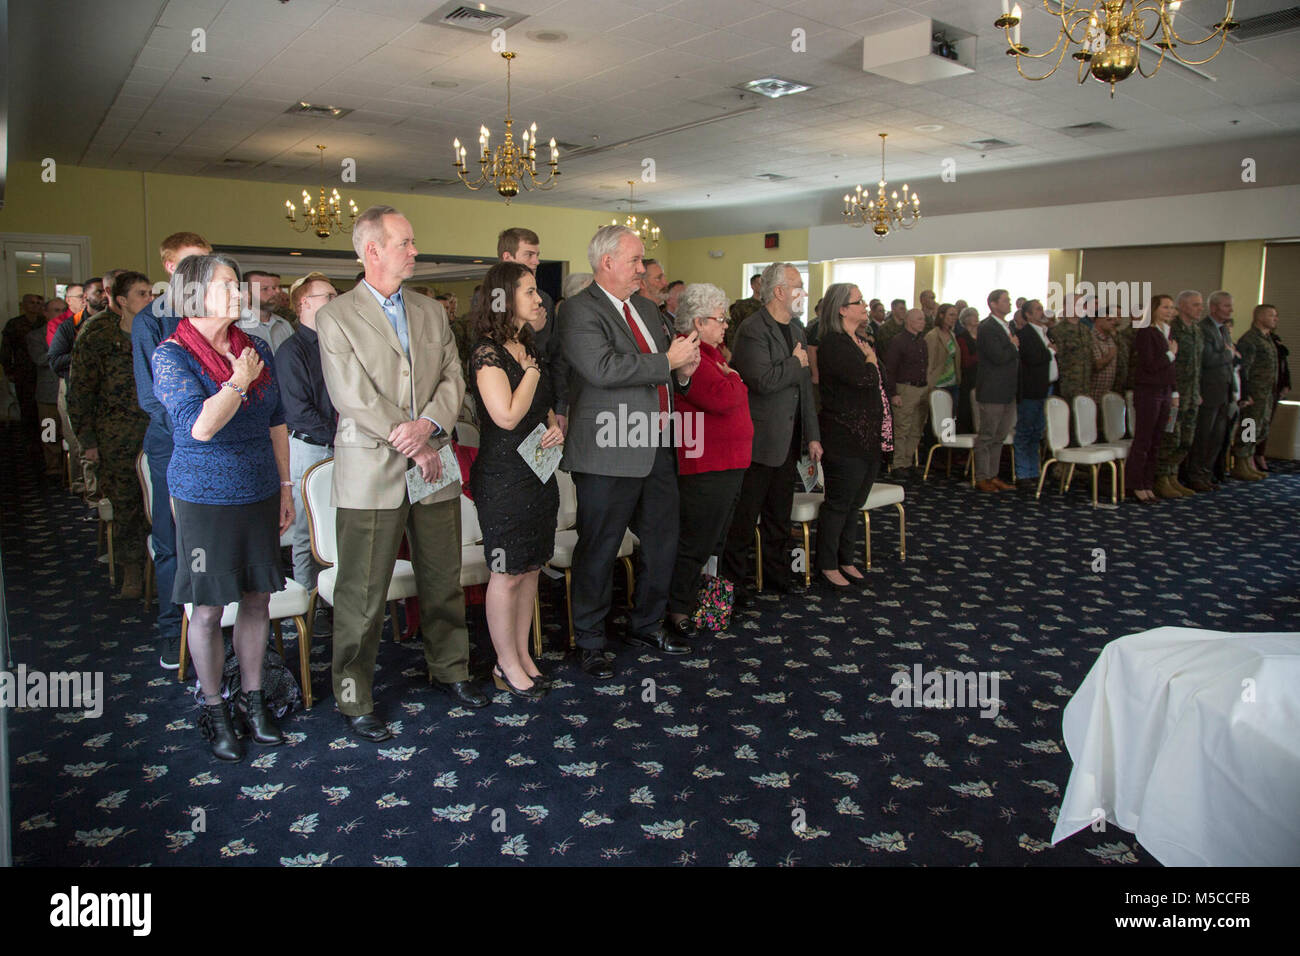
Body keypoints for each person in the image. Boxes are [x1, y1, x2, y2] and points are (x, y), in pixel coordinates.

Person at [316, 206, 485, 740]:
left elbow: (454, 377)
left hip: (432, 460)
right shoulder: (335, 316)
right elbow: (352, 396)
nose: (415, 251)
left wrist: (431, 425)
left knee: (442, 579)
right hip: (373, 468)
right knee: (362, 594)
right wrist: (412, 439)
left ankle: (450, 669)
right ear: (373, 251)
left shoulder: (431, 312)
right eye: (405, 243)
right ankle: (353, 695)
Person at [151, 254, 292, 760]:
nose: (239, 293)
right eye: (228, 285)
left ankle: (253, 701)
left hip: (258, 489)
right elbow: (201, 427)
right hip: (204, 498)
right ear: (193, 294)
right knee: (208, 611)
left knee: (257, 599)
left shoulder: (253, 347)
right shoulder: (171, 356)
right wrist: (238, 380)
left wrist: (285, 485)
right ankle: (214, 708)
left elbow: (276, 420)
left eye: (238, 284)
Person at [559, 225, 700, 678]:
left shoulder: (643, 307)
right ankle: (591, 640)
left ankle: (646, 623)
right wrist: (668, 363)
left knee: (662, 541)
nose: (644, 270)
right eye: (637, 261)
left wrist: (681, 373)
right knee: (599, 547)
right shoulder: (579, 310)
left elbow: (660, 368)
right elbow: (601, 368)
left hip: (655, 439)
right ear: (607, 263)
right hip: (607, 448)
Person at [468, 261, 564, 698]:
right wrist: (529, 374)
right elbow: (506, 416)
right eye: (528, 291)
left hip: (538, 474)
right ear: (504, 298)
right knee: (506, 572)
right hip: (504, 478)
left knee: (530, 570)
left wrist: (554, 427)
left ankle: (523, 655)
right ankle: (505, 663)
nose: (538, 298)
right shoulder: (488, 351)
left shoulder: (526, 345)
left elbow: (538, 409)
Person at [133, 230, 214, 669]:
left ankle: (217, 626)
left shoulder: (220, 314)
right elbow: (152, 398)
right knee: (171, 539)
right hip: (173, 444)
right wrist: (199, 432)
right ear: (170, 267)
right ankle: (172, 629)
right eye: (191, 262)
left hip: (217, 442)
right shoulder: (152, 320)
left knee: (214, 540)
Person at [722, 262, 820, 602]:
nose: (802, 293)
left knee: (779, 515)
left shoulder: (797, 329)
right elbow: (762, 382)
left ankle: (777, 576)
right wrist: (795, 364)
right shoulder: (752, 329)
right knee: (744, 518)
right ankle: (734, 584)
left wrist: (813, 434)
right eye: (797, 286)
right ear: (779, 291)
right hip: (758, 441)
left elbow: (803, 388)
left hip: (789, 438)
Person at [665, 283, 751, 637]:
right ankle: (677, 607)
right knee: (696, 541)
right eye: (720, 318)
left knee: (714, 540)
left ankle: (703, 602)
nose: (726, 324)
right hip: (706, 464)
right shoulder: (690, 351)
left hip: (727, 461)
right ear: (698, 322)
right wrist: (736, 382)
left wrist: (733, 379)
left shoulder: (714, 354)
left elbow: (729, 389)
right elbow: (722, 398)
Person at [68, 272, 154, 597]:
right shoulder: (97, 334)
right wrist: (87, 441)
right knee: (127, 505)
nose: (150, 299)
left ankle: (156, 569)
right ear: (121, 300)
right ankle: (132, 571)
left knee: (156, 505)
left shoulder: (157, 331)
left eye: (150, 292)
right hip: (116, 435)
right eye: (142, 293)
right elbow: (80, 391)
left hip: (153, 431)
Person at [814, 283, 891, 589]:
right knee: (839, 503)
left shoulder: (857, 339)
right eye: (859, 302)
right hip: (844, 436)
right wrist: (871, 362)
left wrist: (872, 363)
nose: (865, 307)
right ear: (842, 309)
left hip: (866, 435)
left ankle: (846, 559)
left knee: (855, 503)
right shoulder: (833, 343)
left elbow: (878, 378)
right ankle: (827, 563)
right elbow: (865, 378)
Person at [277, 272, 338, 635]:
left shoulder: (337, 342)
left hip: (339, 445)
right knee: (306, 532)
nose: (335, 300)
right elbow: (298, 411)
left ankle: (332, 603)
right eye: (327, 295)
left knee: (338, 529)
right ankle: (306, 609)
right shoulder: (291, 350)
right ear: (305, 304)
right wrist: (342, 437)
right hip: (309, 448)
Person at [500, 227, 569, 436]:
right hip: (506, 404)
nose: (536, 261)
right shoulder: (494, 298)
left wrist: (560, 406)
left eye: (537, 255)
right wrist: (531, 330)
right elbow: (494, 352)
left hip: (543, 404)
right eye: (529, 255)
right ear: (508, 257)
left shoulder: (544, 299)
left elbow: (555, 356)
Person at [1155, 290, 1204, 498]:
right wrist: (1172, 391)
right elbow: (1166, 364)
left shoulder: (1197, 331)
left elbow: (1198, 365)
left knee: (1186, 439)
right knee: (1170, 437)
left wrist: (1198, 391)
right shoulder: (1171, 331)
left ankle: (1173, 476)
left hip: (1191, 394)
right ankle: (1160, 478)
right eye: (1195, 304)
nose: (1200, 308)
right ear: (1182, 307)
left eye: (1201, 304)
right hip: (1174, 395)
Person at [1129, 294, 1178, 502]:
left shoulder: (1168, 333)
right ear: (1155, 309)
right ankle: (1135, 484)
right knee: (1144, 440)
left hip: (1165, 390)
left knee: (1157, 440)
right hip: (1148, 391)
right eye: (1165, 307)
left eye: (1171, 308)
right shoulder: (1146, 333)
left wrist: (1174, 392)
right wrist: (1170, 354)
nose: (1169, 311)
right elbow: (1149, 365)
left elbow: (1171, 368)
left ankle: (1148, 483)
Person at [1187, 291, 1235, 491]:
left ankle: (1207, 474)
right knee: (1203, 437)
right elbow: (1207, 360)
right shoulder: (1204, 329)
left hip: (1223, 392)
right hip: (1207, 391)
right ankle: (1195, 475)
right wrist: (1227, 353)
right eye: (1226, 306)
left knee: (1217, 437)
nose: (1231, 310)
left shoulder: (1223, 329)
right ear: (1213, 307)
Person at [974, 289, 1018, 492]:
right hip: (992, 390)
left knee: (1000, 436)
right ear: (992, 304)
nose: (1009, 303)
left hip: (1008, 390)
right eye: (1005, 300)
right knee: (987, 436)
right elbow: (997, 356)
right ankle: (982, 476)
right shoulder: (987, 327)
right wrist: (1012, 345)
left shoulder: (1009, 326)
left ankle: (993, 475)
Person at [1013, 299, 1056, 492]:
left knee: (1037, 432)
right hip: (1031, 389)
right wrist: (1050, 351)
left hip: (1045, 387)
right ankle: (1023, 474)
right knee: (1025, 432)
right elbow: (1032, 358)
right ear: (1028, 315)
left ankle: (1034, 472)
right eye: (1038, 309)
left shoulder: (1046, 333)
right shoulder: (1025, 334)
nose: (1042, 312)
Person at [1233, 304, 1280, 480]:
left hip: (1266, 394)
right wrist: (1246, 394)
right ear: (1259, 317)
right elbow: (1244, 369)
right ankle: (1240, 463)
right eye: (1271, 315)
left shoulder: (1267, 338)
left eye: (1276, 316)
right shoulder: (1250, 339)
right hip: (1254, 394)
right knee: (1249, 427)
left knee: (1259, 429)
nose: (1275, 319)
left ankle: (1248, 461)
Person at [884, 308, 928, 478]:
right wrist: (893, 393)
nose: (923, 322)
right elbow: (890, 369)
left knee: (916, 428)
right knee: (902, 427)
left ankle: (908, 462)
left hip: (921, 389)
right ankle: (898, 463)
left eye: (923, 319)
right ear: (909, 321)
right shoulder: (898, 341)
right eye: (919, 319)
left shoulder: (921, 341)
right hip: (905, 388)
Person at [26, 300, 67, 478]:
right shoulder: (35, 336)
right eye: (56, 310)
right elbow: (41, 360)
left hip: (68, 393)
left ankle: (69, 469)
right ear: (46, 312)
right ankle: (53, 467)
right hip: (47, 395)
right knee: (49, 433)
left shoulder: (71, 331)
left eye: (63, 310)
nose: (60, 313)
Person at [242, 271, 295, 352]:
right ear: (247, 294)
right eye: (265, 289)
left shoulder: (285, 325)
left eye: (274, 288)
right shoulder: (237, 327)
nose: (274, 293)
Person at [925, 303, 960, 411]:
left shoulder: (952, 335)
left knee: (950, 419)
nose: (954, 318)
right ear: (941, 315)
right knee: (939, 417)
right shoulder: (932, 336)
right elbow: (929, 361)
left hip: (953, 381)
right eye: (951, 315)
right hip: (938, 383)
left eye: (955, 315)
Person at [955, 307, 980, 435]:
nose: (976, 317)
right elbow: (965, 361)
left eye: (977, 315)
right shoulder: (962, 338)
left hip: (981, 378)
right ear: (966, 319)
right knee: (967, 411)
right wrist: (981, 354)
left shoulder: (982, 335)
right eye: (973, 315)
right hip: (968, 379)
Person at [726, 274, 763, 354]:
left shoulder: (769, 306)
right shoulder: (742, 306)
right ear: (752, 286)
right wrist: (733, 350)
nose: (762, 286)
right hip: (745, 348)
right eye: (759, 283)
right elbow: (732, 328)